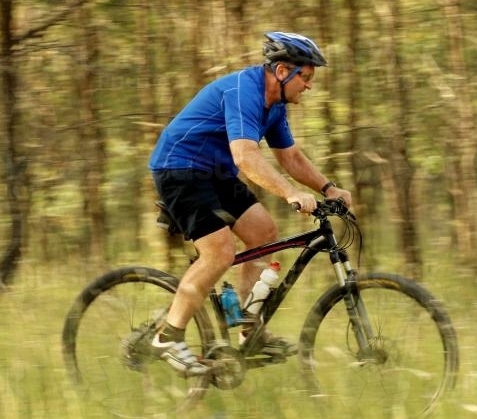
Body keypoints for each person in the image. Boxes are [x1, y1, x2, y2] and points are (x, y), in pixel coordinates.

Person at [134, 32, 352, 376]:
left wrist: (328, 188)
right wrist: (291, 193)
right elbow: (246, 156)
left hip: (215, 172)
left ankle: (249, 329)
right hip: (180, 168)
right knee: (219, 252)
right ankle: (167, 336)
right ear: (282, 71)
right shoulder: (244, 91)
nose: (309, 86)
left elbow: (291, 157)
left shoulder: (275, 106)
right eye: (306, 77)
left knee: (263, 231)